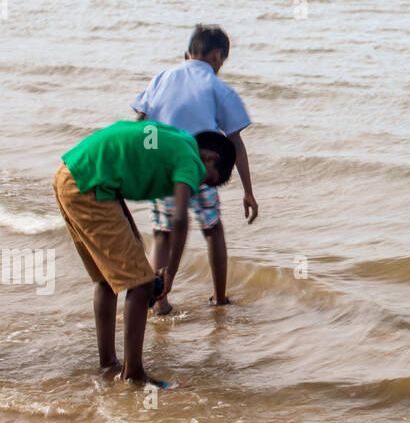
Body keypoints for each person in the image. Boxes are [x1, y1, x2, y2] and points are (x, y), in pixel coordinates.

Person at [53, 120, 235, 384]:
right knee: (141, 284)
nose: (198, 185)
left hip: (72, 174)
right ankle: (133, 374)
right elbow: (180, 221)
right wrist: (170, 274)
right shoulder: (192, 159)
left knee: (107, 280)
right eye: (208, 179)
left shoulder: (181, 138)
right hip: (88, 185)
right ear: (210, 157)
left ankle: (108, 364)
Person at [132, 24, 258, 312]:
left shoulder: (162, 77)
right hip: (200, 169)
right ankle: (219, 298)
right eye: (222, 61)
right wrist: (248, 192)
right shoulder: (218, 88)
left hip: (162, 168)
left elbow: (139, 122)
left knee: (162, 233)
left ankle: (160, 302)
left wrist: (136, 164)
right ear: (217, 56)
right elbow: (236, 143)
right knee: (212, 229)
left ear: (187, 54)